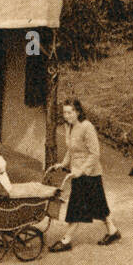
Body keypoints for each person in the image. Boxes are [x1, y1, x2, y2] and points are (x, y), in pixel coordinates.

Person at [47, 99, 120, 252]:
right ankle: (113, 232)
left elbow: (95, 154)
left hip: (89, 174)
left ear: (78, 112)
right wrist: (63, 164)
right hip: (77, 172)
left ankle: (66, 240)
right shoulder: (69, 126)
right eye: (65, 112)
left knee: (76, 206)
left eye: (70, 112)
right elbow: (71, 149)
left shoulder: (87, 127)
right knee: (98, 204)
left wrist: (82, 170)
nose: (66, 115)